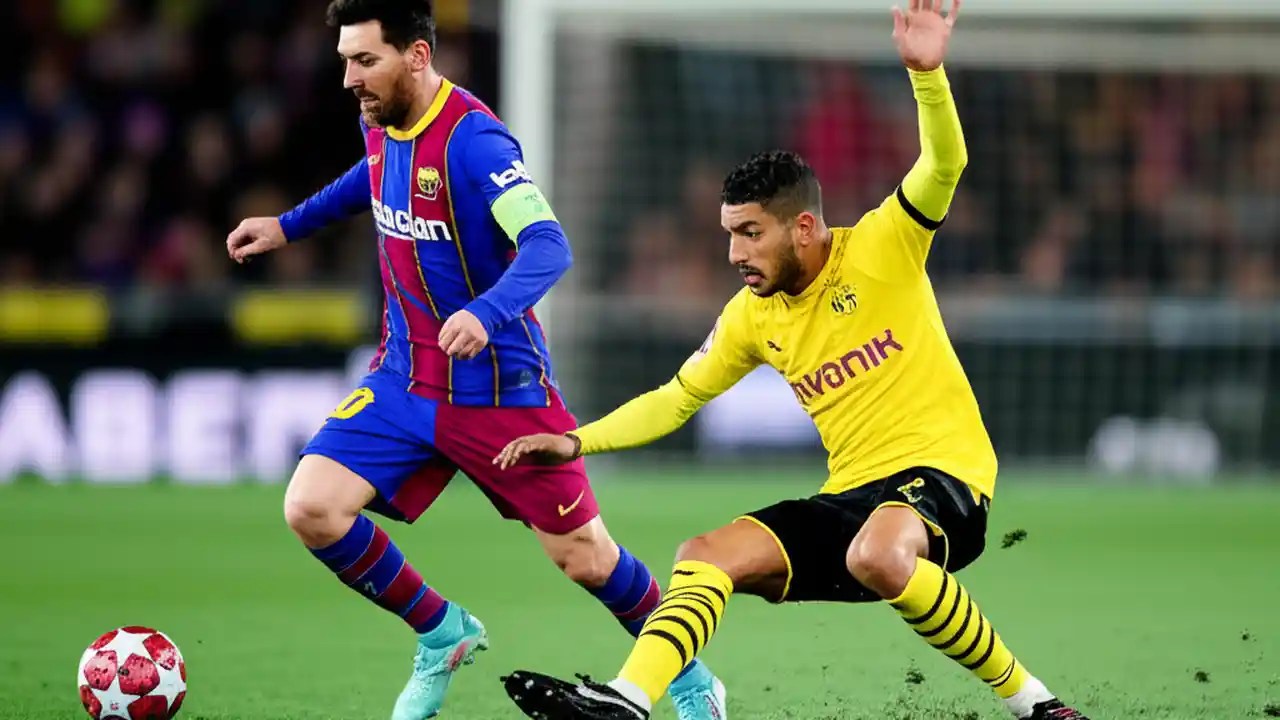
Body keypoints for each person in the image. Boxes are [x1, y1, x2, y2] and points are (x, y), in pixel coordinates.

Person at [494, 2, 1088, 719]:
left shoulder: (883, 246)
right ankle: (627, 702)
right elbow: (677, 396)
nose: (735, 254)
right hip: (854, 498)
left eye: (749, 233)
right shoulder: (752, 316)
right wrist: (576, 439)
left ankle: (1038, 706)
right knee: (703, 553)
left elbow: (946, 163)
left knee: (879, 553)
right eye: (729, 235)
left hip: (948, 482)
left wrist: (927, 74)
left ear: (804, 226)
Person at [224, 2, 726, 719]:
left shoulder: (476, 144)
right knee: (311, 507)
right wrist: (288, 225)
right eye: (345, 59)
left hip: (499, 392)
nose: (348, 79)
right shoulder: (381, 117)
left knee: (585, 557)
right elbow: (370, 178)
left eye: (364, 60)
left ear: (418, 58)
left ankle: (690, 678)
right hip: (405, 378)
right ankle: (441, 632)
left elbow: (551, 246)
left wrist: (483, 311)